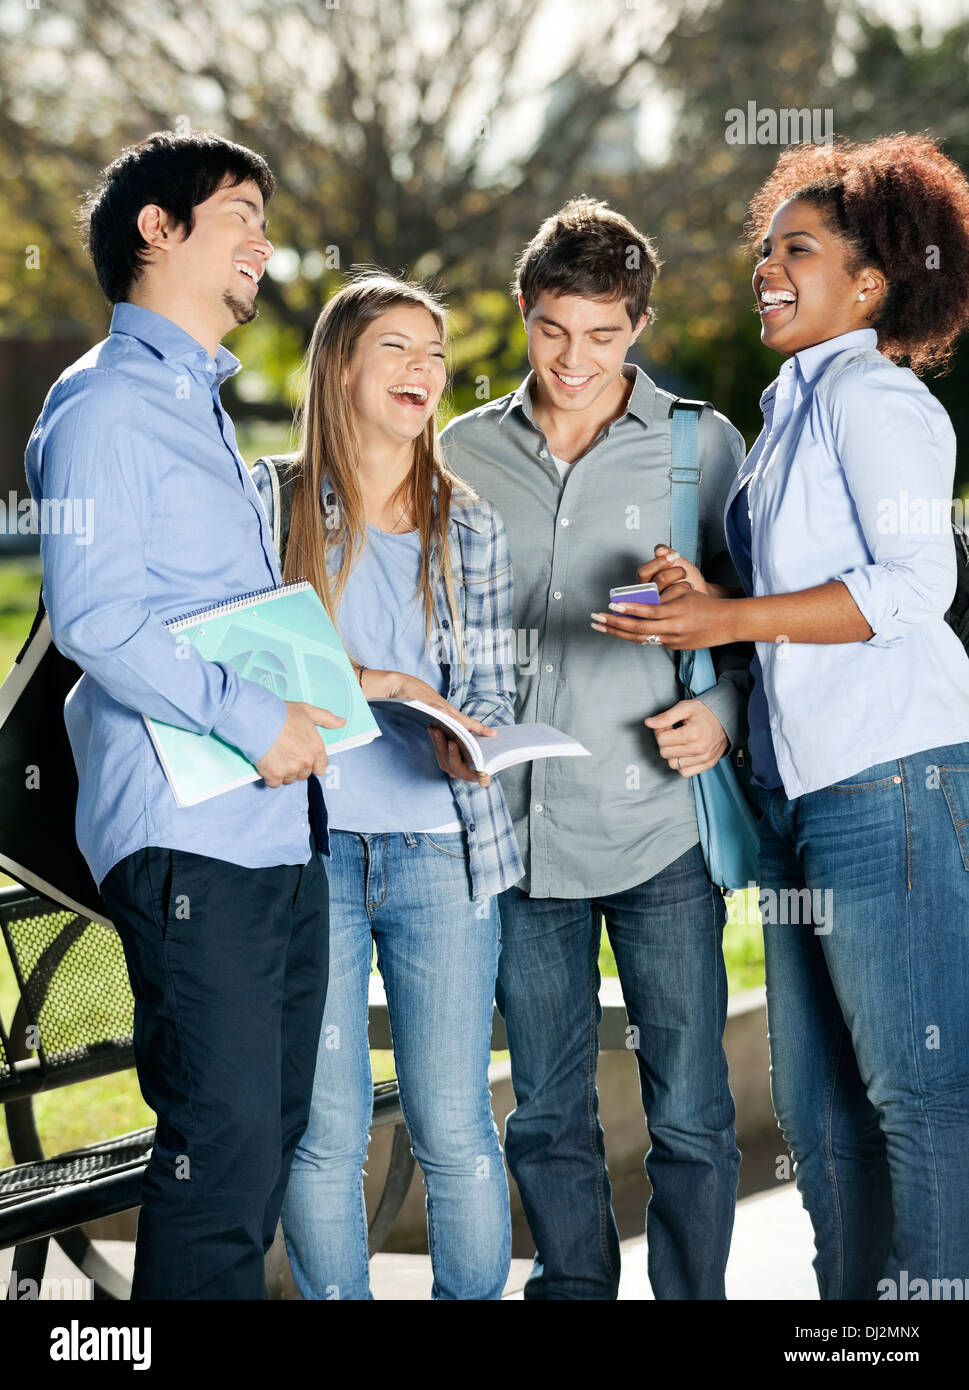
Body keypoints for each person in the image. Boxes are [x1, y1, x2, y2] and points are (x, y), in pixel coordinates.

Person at [598, 134, 969, 1299]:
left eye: (797, 250)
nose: (767, 267)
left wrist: (733, 616)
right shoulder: (787, 420)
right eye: (765, 248)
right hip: (805, 801)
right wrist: (709, 614)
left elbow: (918, 583)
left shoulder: (871, 396)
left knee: (919, 1096)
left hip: (893, 782)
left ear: (870, 282)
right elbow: (771, 622)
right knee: (818, 1107)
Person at [24, 131, 339, 1300]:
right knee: (220, 1159)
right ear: (158, 228)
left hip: (268, 832)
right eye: (240, 213)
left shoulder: (198, 410)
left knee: (258, 1148)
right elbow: (98, 619)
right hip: (190, 834)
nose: (264, 238)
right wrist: (258, 724)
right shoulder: (106, 408)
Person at [440, 198, 750, 1300]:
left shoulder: (698, 446)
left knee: (691, 1108)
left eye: (605, 334)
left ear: (641, 324)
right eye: (554, 330)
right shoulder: (462, 452)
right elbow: (431, 625)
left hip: (660, 825)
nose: (576, 359)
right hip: (518, 836)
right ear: (525, 313)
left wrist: (727, 712)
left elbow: (762, 617)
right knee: (547, 1109)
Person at [251, 272, 522, 1301]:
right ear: (341, 366)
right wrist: (382, 684)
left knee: (453, 1123)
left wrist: (468, 738)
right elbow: (243, 666)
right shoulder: (275, 502)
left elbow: (489, 686)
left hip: (441, 852)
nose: (424, 371)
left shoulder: (472, 525)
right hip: (307, 850)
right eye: (396, 349)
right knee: (322, 1132)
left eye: (435, 353)